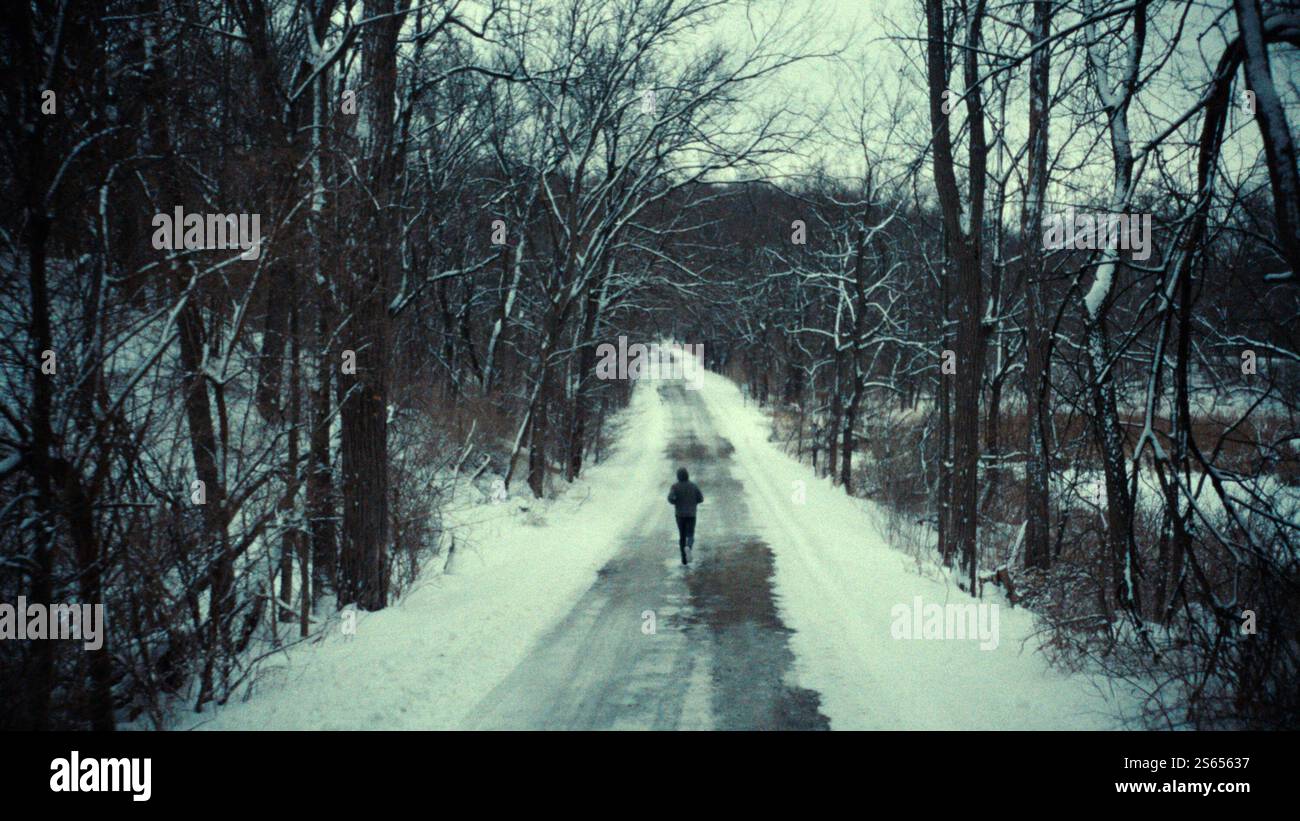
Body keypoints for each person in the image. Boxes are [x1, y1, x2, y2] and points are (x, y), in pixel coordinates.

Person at [667, 467, 704, 565]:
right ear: (687, 475)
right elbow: (701, 499)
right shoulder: (693, 486)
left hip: (679, 515)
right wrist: (693, 502)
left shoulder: (675, 487)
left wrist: (675, 501)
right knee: (690, 534)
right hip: (691, 514)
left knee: (682, 536)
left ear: (678, 476)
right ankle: (689, 546)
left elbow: (670, 498)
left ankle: (683, 559)